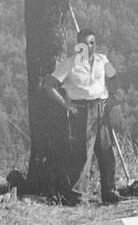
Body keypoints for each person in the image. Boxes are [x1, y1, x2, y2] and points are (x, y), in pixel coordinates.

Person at [43, 28, 119, 204]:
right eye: (83, 44)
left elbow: (114, 77)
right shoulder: (70, 63)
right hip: (82, 109)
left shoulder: (102, 60)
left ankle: (109, 191)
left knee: (106, 151)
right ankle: (77, 195)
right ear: (78, 45)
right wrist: (66, 104)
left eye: (91, 43)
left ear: (95, 44)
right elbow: (49, 85)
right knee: (82, 154)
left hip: (101, 107)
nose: (88, 47)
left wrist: (112, 97)